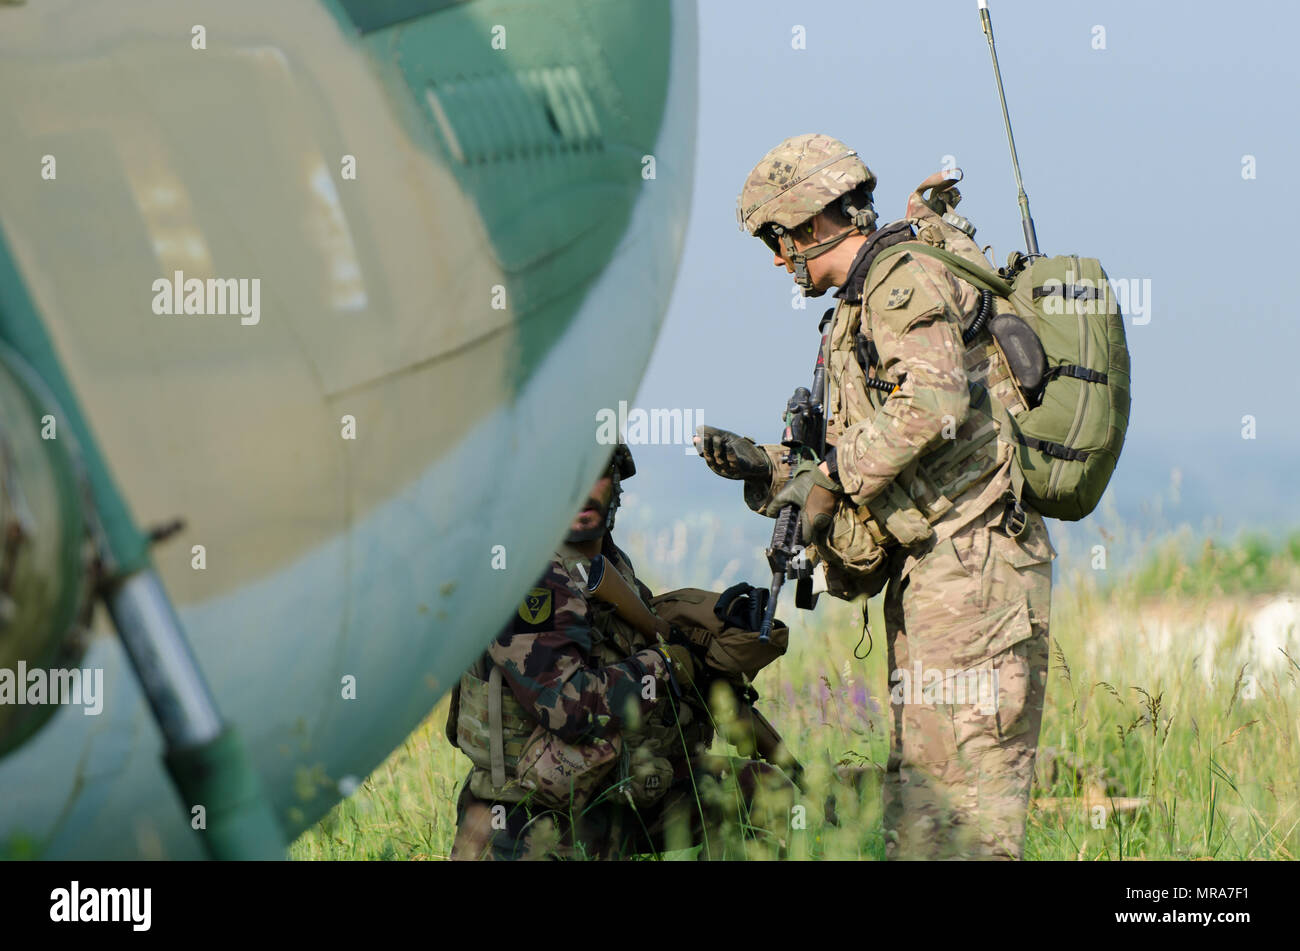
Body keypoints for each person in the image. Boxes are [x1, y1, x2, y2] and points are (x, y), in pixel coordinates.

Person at [695, 133, 1054, 860]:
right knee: (924, 813)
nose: (776, 258)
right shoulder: (863, 303)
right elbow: (868, 441)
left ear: (811, 224)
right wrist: (769, 469)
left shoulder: (898, 281)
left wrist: (828, 479)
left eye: (777, 238)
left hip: (975, 577)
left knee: (964, 825)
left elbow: (935, 400)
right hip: (944, 580)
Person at [448, 443, 794, 860]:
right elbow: (568, 706)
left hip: (613, 798)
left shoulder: (611, 563)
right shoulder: (522, 576)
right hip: (526, 820)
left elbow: (648, 651)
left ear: (616, 483)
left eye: (595, 475)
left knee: (761, 791)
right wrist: (664, 664)